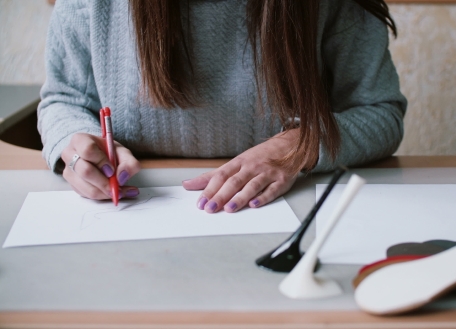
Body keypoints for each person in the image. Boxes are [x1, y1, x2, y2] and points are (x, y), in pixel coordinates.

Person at [38, 0, 407, 214]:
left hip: (293, 208)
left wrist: (299, 146)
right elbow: (63, 98)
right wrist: (74, 146)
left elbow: (379, 110)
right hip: (127, 209)